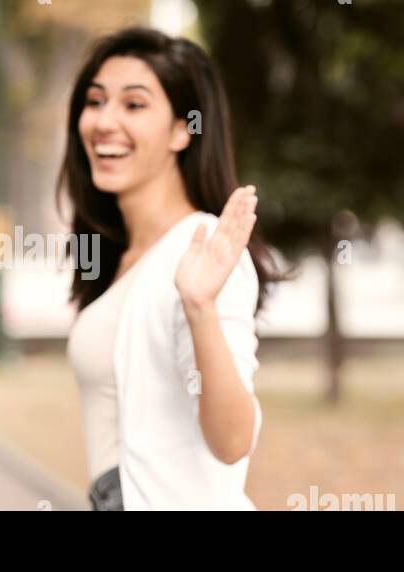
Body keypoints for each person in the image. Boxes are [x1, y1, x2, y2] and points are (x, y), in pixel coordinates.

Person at [59, 28, 280, 510]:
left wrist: (199, 307)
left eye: (134, 105)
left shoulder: (202, 251)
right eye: (95, 102)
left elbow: (232, 440)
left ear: (184, 129)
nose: (104, 121)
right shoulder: (123, 255)